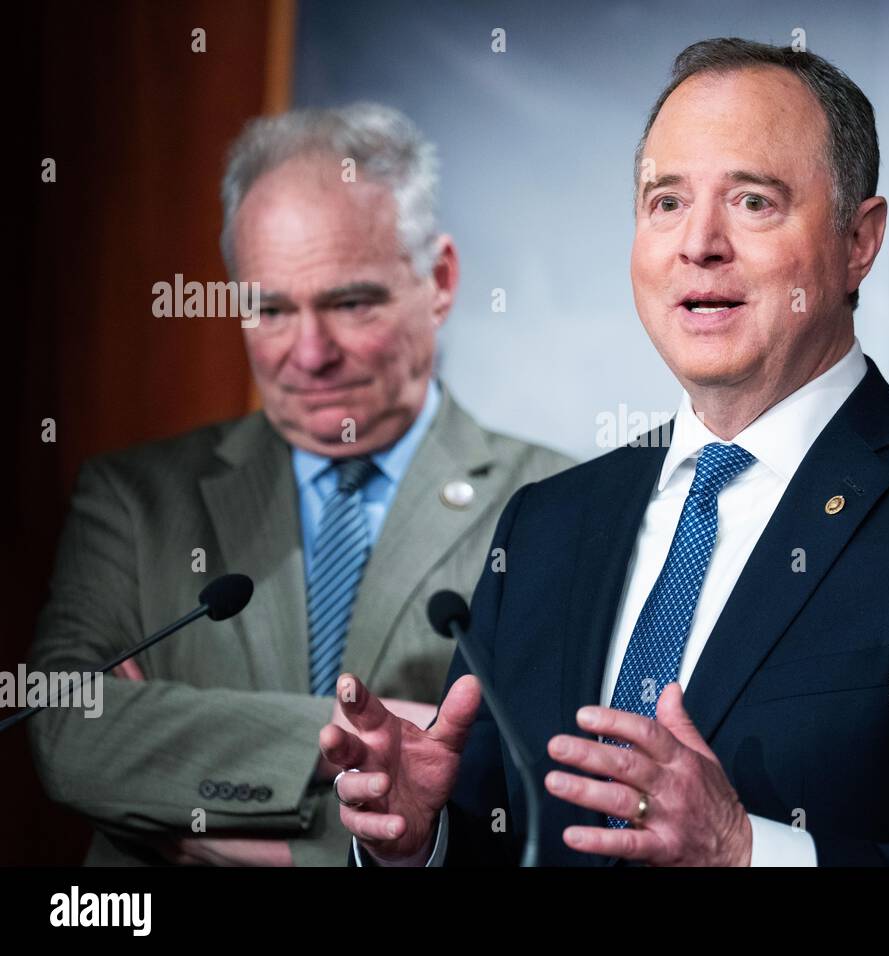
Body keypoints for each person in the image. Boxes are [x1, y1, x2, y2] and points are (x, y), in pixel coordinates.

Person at [325, 40, 889, 867]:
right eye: (665, 202)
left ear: (860, 240)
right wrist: (422, 839)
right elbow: (506, 835)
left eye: (753, 201)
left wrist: (744, 853)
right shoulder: (546, 526)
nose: (698, 243)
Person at [27, 103, 573, 866]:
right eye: (270, 308)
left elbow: (541, 791)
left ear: (440, 280)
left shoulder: (561, 503)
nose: (308, 354)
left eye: (350, 303)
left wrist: (189, 805)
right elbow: (64, 730)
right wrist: (357, 744)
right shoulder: (133, 498)